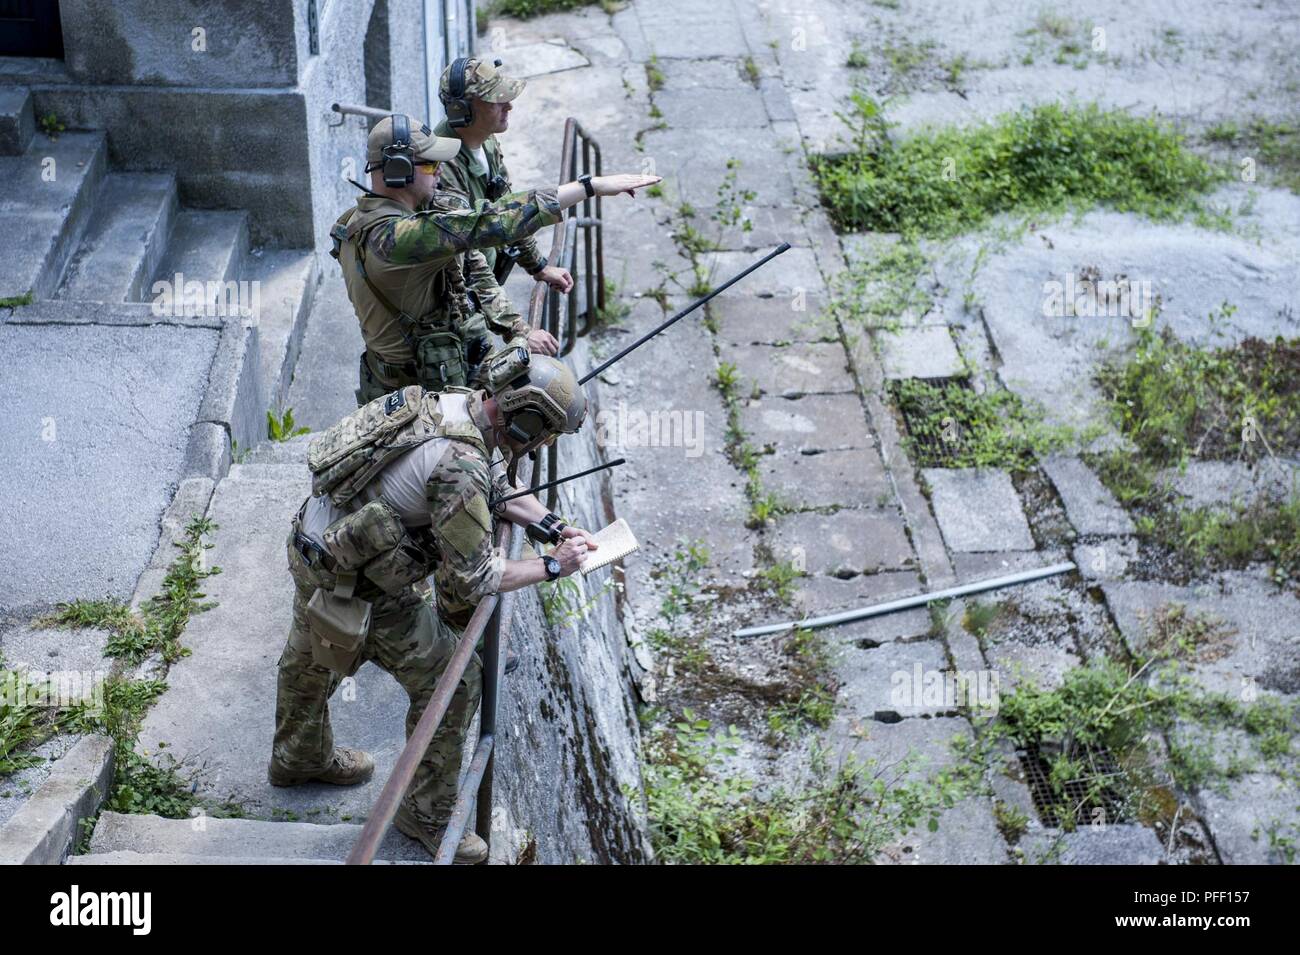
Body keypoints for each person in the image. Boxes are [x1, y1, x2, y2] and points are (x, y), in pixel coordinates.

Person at [269, 354, 597, 864]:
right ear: (527, 421)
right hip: (361, 580)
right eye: (545, 434)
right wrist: (554, 565)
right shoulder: (459, 467)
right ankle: (424, 813)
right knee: (455, 679)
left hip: (314, 544)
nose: (543, 446)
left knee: (310, 655)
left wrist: (550, 526)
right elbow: (476, 576)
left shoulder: (457, 404)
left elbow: (494, 485)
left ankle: (297, 755)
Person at [333, 114, 656, 404]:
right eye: (430, 164)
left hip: (410, 378)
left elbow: (472, 267)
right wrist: (589, 187)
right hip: (423, 397)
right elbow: (492, 220)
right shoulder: (398, 239)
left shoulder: (357, 221)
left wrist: (517, 327)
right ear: (399, 170)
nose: (439, 170)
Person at [435, 57, 574, 322]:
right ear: (461, 110)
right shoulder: (441, 167)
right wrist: (518, 329)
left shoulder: (486, 141)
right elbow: (467, 261)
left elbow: (507, 208)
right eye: (495, 101)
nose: (509, 106)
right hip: (458, 305)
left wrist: (539, 266)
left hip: (485, 291)